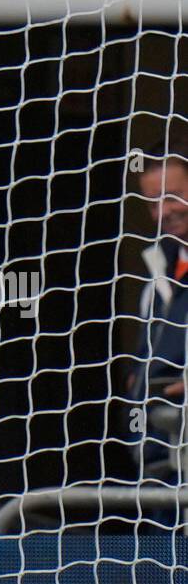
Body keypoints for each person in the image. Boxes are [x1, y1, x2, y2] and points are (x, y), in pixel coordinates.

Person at [132, 144, 188, 479]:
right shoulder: (155, 276)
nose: (164, 211)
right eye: (153, 202)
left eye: (173, 196)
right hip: (158, 465)